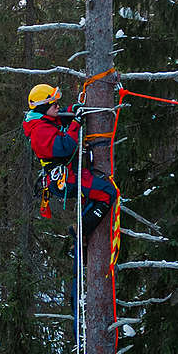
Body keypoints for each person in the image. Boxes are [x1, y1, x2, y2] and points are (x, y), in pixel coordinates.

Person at [23, 83, 115, 245]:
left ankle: (83, 244)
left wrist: (74, 109)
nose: (58, 106)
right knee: (108, 193)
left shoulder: (45, 120)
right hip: (65, 180)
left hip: (70, 175)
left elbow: (61, 116)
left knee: (95, 194)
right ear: (43, 107)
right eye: (54, 104)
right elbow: (66, 146)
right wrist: (76, 123)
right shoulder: (39, 131)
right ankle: (81, 230)